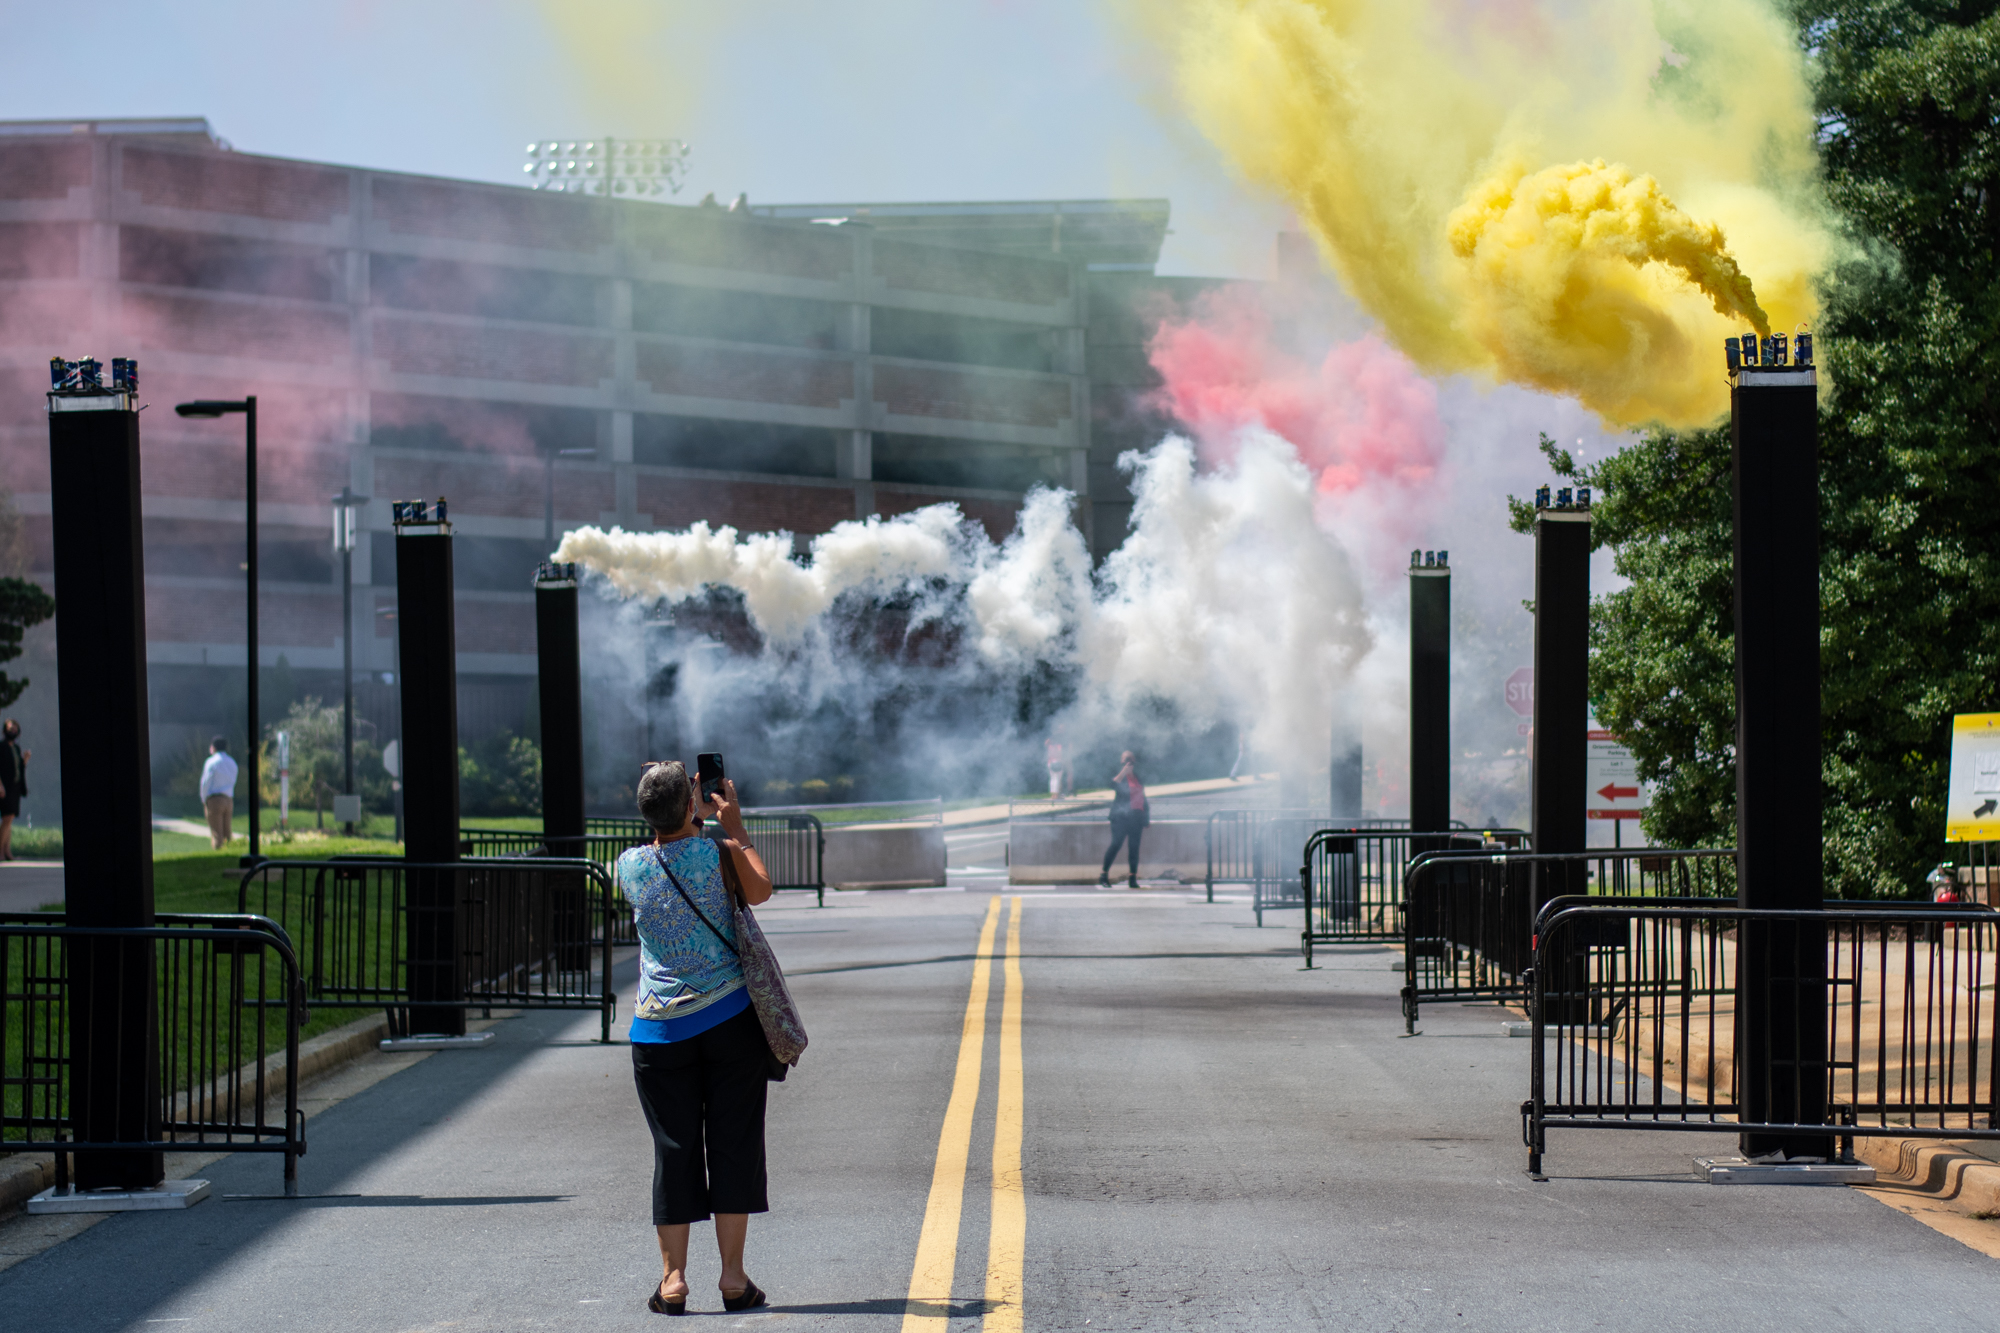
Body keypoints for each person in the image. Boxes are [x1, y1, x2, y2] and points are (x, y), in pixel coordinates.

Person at [620, 759, 777, 1316]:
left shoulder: (629, 865)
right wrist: (732, 826)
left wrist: (672, 796)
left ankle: (673, 1281)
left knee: (674, 1150)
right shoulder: (720, 854)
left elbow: (664, 835)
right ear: (694, 806)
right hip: (729, 1021)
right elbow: (760, 891)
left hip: (657, 1031)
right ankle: (733, 1278)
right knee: (733, 1143)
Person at [1098, 750, 1148, 889]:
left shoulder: (1138, 777)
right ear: (1121, 762)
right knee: (1116, 844)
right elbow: (1112, 785)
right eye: (1125, 760)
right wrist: (1123, 772)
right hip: (1120, 818)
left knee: (1134, 848)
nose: (1128, 763)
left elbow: (1143, 797)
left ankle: (1132, 878)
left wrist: (1146, 818)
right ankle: (1103, 875)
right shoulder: (1119, 775)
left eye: (1131, 760)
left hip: (1136, 818)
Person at [200, 735, 238, 850]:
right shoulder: (232, 762)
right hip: (228, 799)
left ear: (213, 747)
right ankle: (230, 852)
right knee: (227, 832)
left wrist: (204, 798)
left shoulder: (212, 762)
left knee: (217, 833)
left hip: (215, 799)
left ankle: (219, 852)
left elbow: (206, 782)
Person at [0, 720, 28, 861]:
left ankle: (7, 851)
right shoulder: (1, 747)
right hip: (4, 787)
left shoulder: (16, 748)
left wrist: (25, 761)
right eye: (11, 729)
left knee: (9, 819)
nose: (13, 731)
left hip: (15, 787)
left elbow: (19, 768)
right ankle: (0, 851)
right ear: (5, 730)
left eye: (15, 728)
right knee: (7, 818)